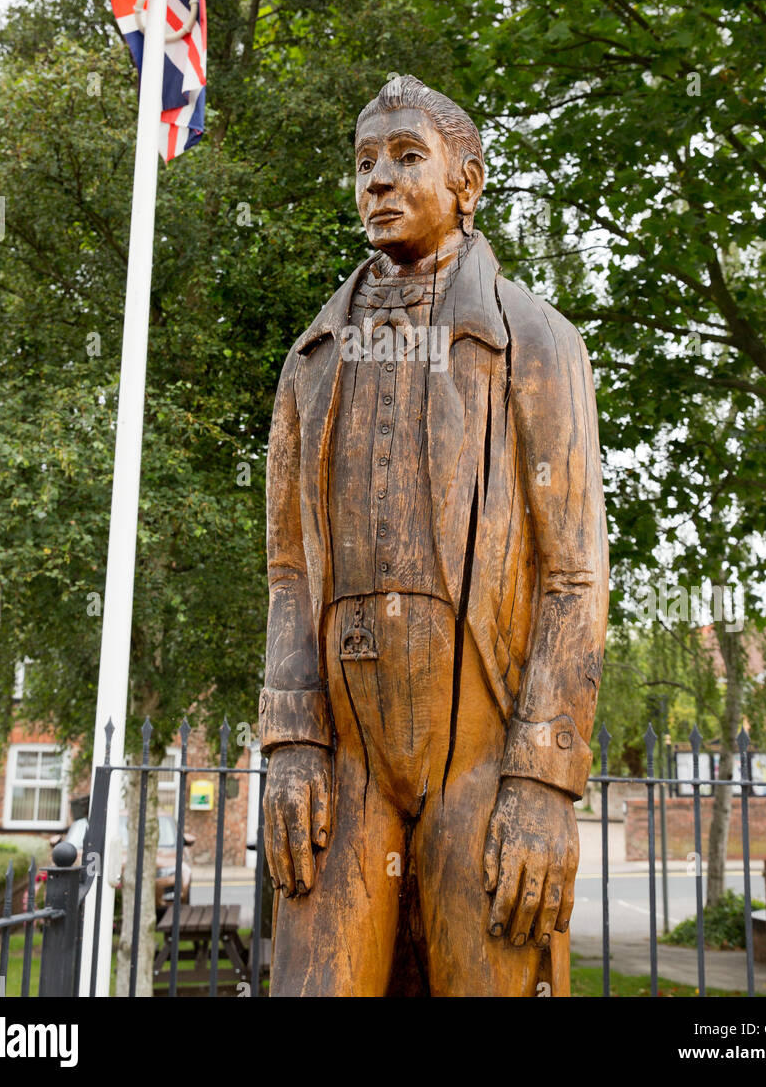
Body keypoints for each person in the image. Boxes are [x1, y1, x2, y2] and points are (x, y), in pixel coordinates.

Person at [259, 75, 608, 995]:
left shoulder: (535, 341)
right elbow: (288, 572)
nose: (378, 180)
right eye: (365, 162)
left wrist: (544, 783)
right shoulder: (310, 362)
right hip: (347, 759)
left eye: (407, 158)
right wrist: (291, 741)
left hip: (484, 754)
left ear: (469, 181)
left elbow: (575, 576)